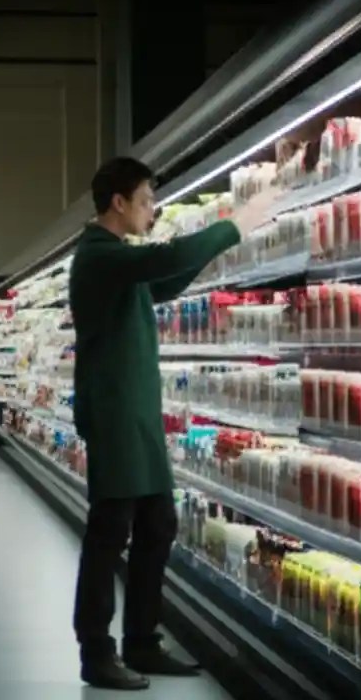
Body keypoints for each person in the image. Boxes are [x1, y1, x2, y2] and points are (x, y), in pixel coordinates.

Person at [69, 157, 275, 690]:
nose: (153, 210)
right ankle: (96, 651)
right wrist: (236, 223)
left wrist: (223, 245)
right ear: (119, 202)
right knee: (110, 531)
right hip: (115, 413)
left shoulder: (120, 263)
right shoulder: (98, 256)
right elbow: (169, 257)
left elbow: (168, 277)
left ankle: (142, 640)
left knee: (158, 524)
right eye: (146, 200)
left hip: (136, 413)